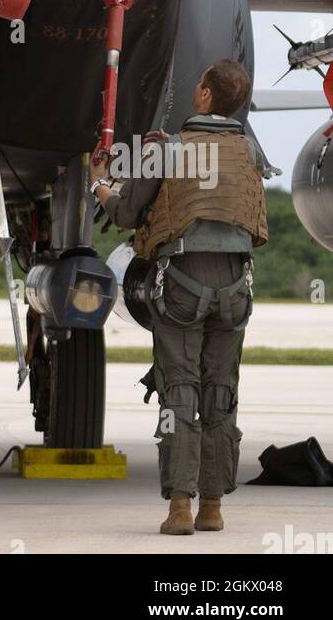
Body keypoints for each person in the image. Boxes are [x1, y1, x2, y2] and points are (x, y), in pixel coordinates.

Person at [89, 59, 271, 535]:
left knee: (180, 391)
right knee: (221, 391)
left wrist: (99, 183)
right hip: (236, 289)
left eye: (200, 84)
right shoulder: (249, 150)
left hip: (182, 287)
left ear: (207, 96)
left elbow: (128, 213)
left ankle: (180, 509)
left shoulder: (168, 149)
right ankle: (212, 506)